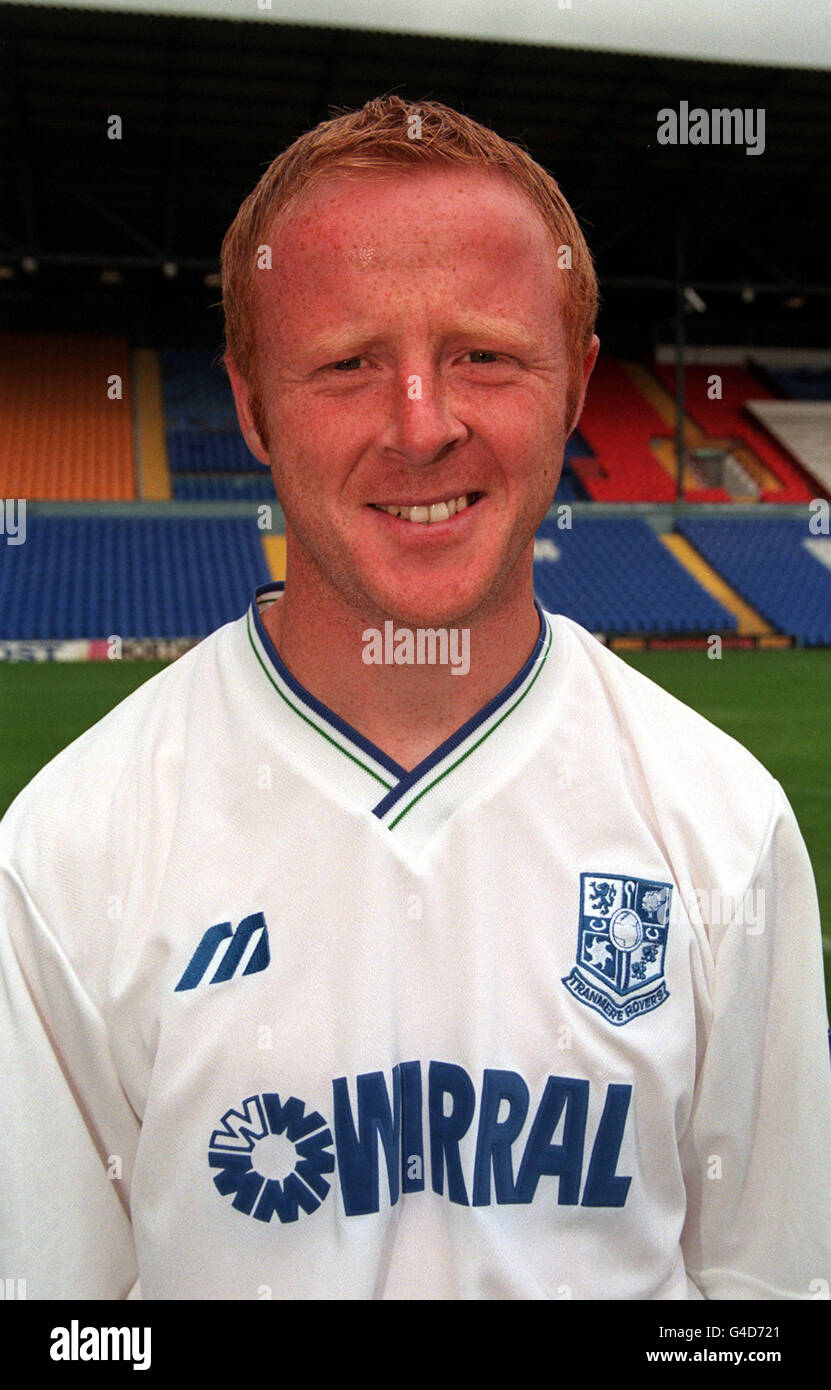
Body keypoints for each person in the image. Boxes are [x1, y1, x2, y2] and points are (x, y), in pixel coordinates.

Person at [1, 95, 829, 1301]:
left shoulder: (723, 825)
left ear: (579, 384)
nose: (423, 426)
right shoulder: (66, 854)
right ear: (250, 407)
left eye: (484, 355)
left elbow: (770, 1294)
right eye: (346, 365)